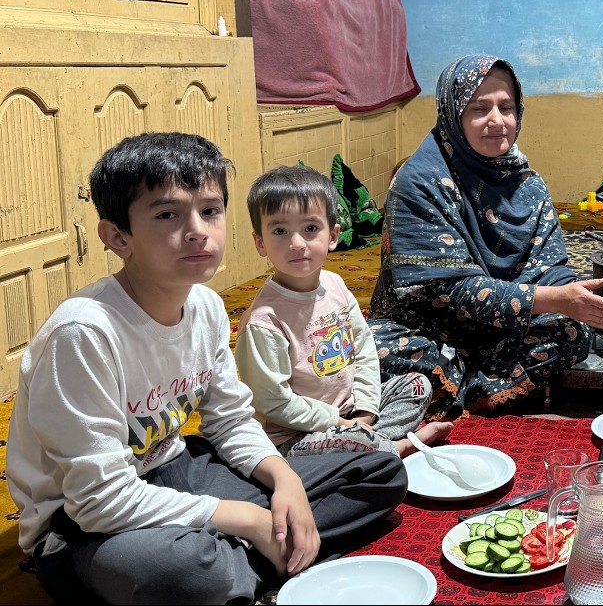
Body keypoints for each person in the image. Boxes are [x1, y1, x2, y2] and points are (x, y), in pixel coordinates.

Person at [5, 133, 408, 604]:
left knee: (381, 470)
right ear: (118, 237)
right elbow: (98, 502)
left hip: (176, 465)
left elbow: (231, 420)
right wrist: (249, 519)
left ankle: (249, 561)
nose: (198, 230)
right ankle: (258, 555)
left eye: (211, 210)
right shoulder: (83, 334)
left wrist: (285, 480)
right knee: (187, 572)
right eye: (167, 215)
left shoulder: (207, 306)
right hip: (79, 525)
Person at [369, 54, 603, 419]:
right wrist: (557, 299)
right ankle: (463, 381)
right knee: (374, 349)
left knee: (572, 332)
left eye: (506, 108)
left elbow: (549, 269)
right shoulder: (420, 183)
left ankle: (455, 388)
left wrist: (586, 299)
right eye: (479, 109)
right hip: (427, 329)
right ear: (452, 114)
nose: (496, 121)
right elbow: (452, 290)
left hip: (502, 328)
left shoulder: (528, 185)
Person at [236, 164, 454, 460]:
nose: (297, 243)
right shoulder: (264, 320)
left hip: (350, 414)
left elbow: (363, 349)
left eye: (310, 228)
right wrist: (339, 425)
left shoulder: (335, 285)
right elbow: (274, 403)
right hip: (296, 436)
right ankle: (397, 447)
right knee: (341, 444)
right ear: (260, 242)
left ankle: (369, 445)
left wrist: (365, 412)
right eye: (280, 231)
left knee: (417, 385)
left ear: (333, 235)